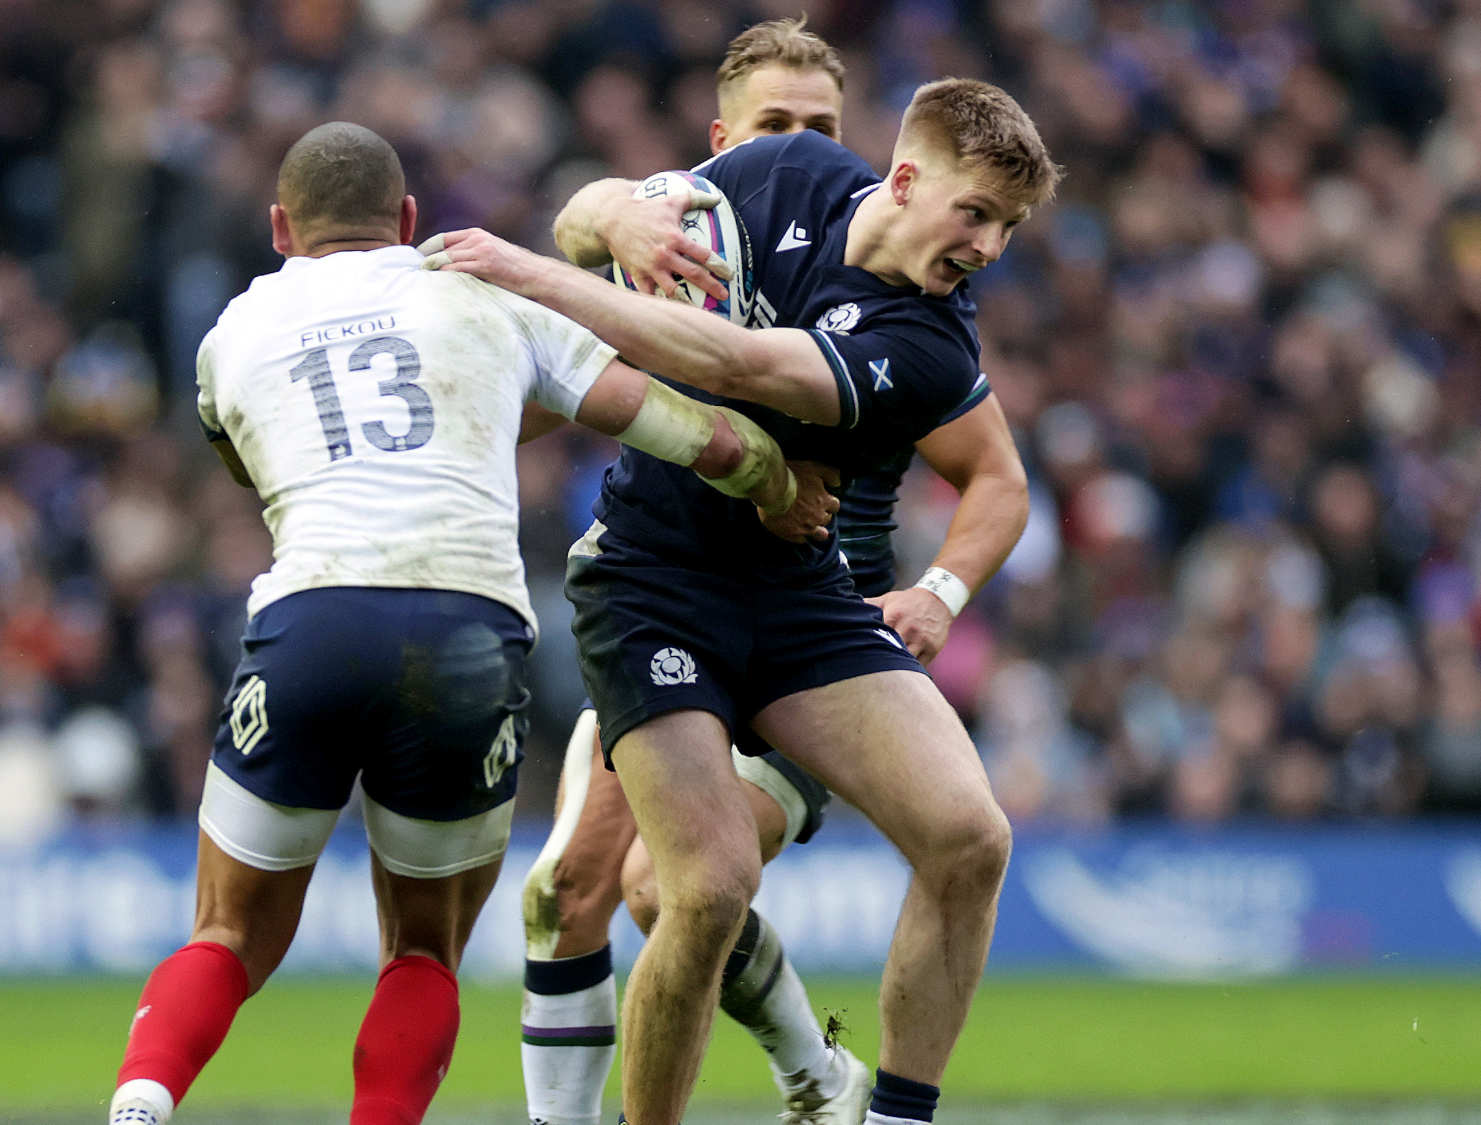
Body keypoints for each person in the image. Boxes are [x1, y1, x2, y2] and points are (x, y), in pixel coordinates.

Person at [103, 121, 824, 1125]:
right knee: (423, 947)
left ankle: (142, 1099)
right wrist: (775, 482)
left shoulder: (232, 329)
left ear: (279, 228)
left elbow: (245, 457)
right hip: (465, 632)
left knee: (226, 932)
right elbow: (684, 430)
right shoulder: (486, 297)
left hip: (313, 619)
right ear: (408, 219)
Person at [426, 77, 1059, 1125]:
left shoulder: (931, 343)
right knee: (695, 887)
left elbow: (732, 360)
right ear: (904, 179)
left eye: (1007, 228)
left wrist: (526, 271)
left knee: (971, 837)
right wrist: (614, 214)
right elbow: (601, 220)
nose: (988, 247)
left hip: (804, 593)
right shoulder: (782, 171)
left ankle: (884, 1114)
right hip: (653, 583)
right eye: (977, 214)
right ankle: (786, 1081)